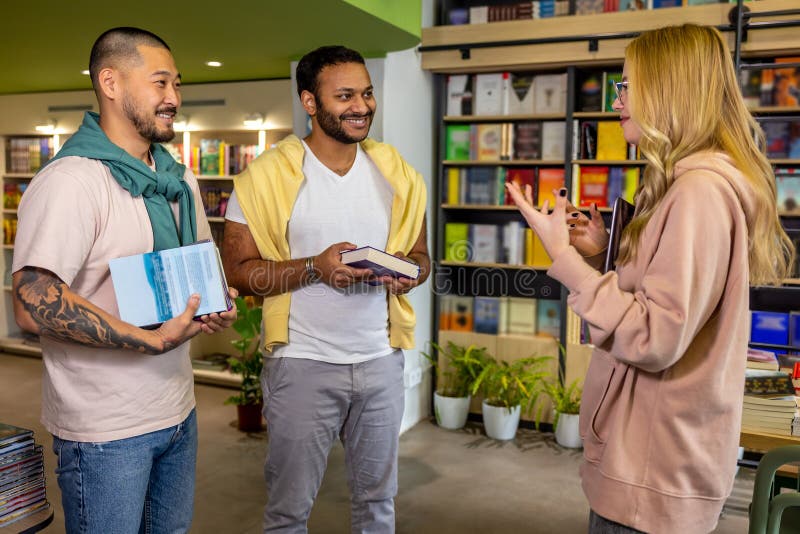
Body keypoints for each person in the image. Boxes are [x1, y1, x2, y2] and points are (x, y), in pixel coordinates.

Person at [506, 24, 795, 534]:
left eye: (626, 86)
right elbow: (665, 296)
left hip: (651, 472)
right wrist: (608, 251)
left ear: (668, 91)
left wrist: (563, 256)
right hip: (648, 461)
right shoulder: (685, 186)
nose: (617, 101)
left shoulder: (698, 194)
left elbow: (654, 335)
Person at [11, 27, 237, 533]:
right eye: (160, 83)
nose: (174, 98)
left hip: (178, 411)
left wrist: (214, 302)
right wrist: (147, 339)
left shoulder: (179, 180)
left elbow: (197, 264)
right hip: (105, 431)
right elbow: (31, 302)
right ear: (110, 83)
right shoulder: (72, 181)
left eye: (177, 84)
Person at [222, 45, 429, 533]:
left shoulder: (396, 173)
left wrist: (409, 273)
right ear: (310, 102)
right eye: (345, 96)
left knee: (378, 503)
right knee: (289, 512)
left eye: (367, 93)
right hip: (302, 364)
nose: (362, 106)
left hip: (380, 361)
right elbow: (239, 272)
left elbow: (422, 258)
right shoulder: (264, 178)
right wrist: (315, 267)